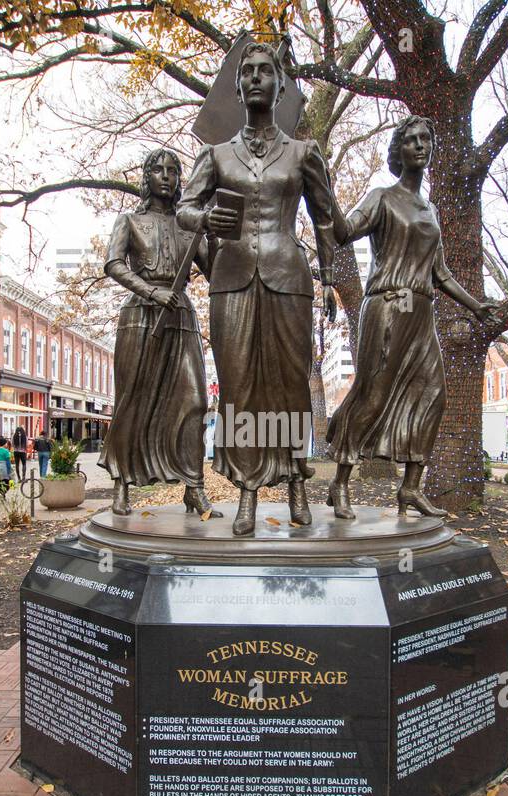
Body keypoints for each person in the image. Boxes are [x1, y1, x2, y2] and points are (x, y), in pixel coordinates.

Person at [177, 40, 344, 535]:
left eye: (264, 71)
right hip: (230, 281)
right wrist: (205, 216)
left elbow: (325, 218)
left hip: (288, 276)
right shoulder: (215, 155)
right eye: (246, 71)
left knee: (290, 385)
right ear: (237, 84)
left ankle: (295, 483)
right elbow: (185, 209)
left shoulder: (302, 152)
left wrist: (331, 278)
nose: (254, 78)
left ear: (278, 83)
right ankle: (248, 490)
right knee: (239, 387)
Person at [325, 115, 489, 519]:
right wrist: (323, 189)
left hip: (421, 313)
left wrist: (476, 306)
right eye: (411, 140)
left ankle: (410, 488)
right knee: (372, 395)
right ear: (398, 152)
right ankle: (340, 481)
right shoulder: (382, 197)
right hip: (386, 306)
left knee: (434, 395)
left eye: (426, 139)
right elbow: (344, 231)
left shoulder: (430, 211)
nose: (421, 145)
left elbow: (442, 273)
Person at [99, 147, 221, 519]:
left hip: (181, 316)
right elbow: (113, 263)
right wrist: (152, 291)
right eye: (159, 170)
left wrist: (212, 233)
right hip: (141, 315)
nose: (167, 176)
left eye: (173, 170)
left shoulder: (189, 224)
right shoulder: (130, 221)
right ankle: (122, 485)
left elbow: (215, 272)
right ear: (147, 177)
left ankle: (193, 488)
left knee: (195, 402)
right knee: (133, 401)